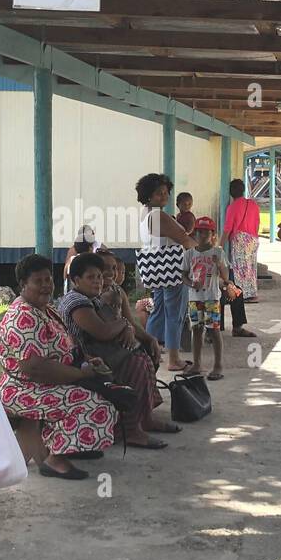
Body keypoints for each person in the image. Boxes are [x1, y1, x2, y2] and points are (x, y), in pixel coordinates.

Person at [0, 254, 120, 478]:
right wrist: (79, 374)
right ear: (23, 285)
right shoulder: (23, 315)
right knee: (96, 403)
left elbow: (63, 347)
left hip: (42, 384)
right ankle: (56, 458)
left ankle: (67, 447)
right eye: (39, 281)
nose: (46, 286)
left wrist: (85, 363)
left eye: (49, 279)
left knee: (103, 391)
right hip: (23, 390)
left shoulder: (44, 308)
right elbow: (34, 367)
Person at [60, 252, 170, 448]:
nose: (98, 281)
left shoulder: (94, 297)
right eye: (91, 277)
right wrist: (123, 326)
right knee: (135, 364)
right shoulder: (76, 302)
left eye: (99, 276)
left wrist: (133, 331)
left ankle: (144, 417)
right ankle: (129, 430)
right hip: (83, 359)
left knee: (143, 356)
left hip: (98, 353)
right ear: (76, 280)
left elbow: (121, 324)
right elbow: (103, 331)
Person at [136, 173, 196, 373]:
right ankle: (174, 358)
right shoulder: (159, 215)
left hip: (156, 270)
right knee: (175, 313)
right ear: (148, 195)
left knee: (159, 311)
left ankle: (149, 353)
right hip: (173, 269)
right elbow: (185, 240)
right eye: (158, 193)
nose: (163, 196)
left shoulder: (145, 213)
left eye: (165, 192)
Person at [181, 216, 232, 380]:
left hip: (212, 298)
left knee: (214, 330)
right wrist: (190, 283)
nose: (202, 235)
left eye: (206, 232)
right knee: (196, 329)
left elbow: (225, 277)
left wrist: (219, 264)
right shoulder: (189, 254)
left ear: (213, 234)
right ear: (194, 234)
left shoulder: (218, 252)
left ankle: (218, 365)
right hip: (195, 298)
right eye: (199, 232)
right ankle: (197, 363)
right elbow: (183, 275)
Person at [223, 179, 260, 304]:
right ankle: (252, 293)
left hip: (240, 239)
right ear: (243, 190)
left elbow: (227, 229)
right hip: (253, 239)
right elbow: (257, 222)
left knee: (240, 268)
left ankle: (243, 294)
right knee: (251, 267)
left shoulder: (232, 207)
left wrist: (219, 245)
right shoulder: (253, 204)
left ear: (230, 192)